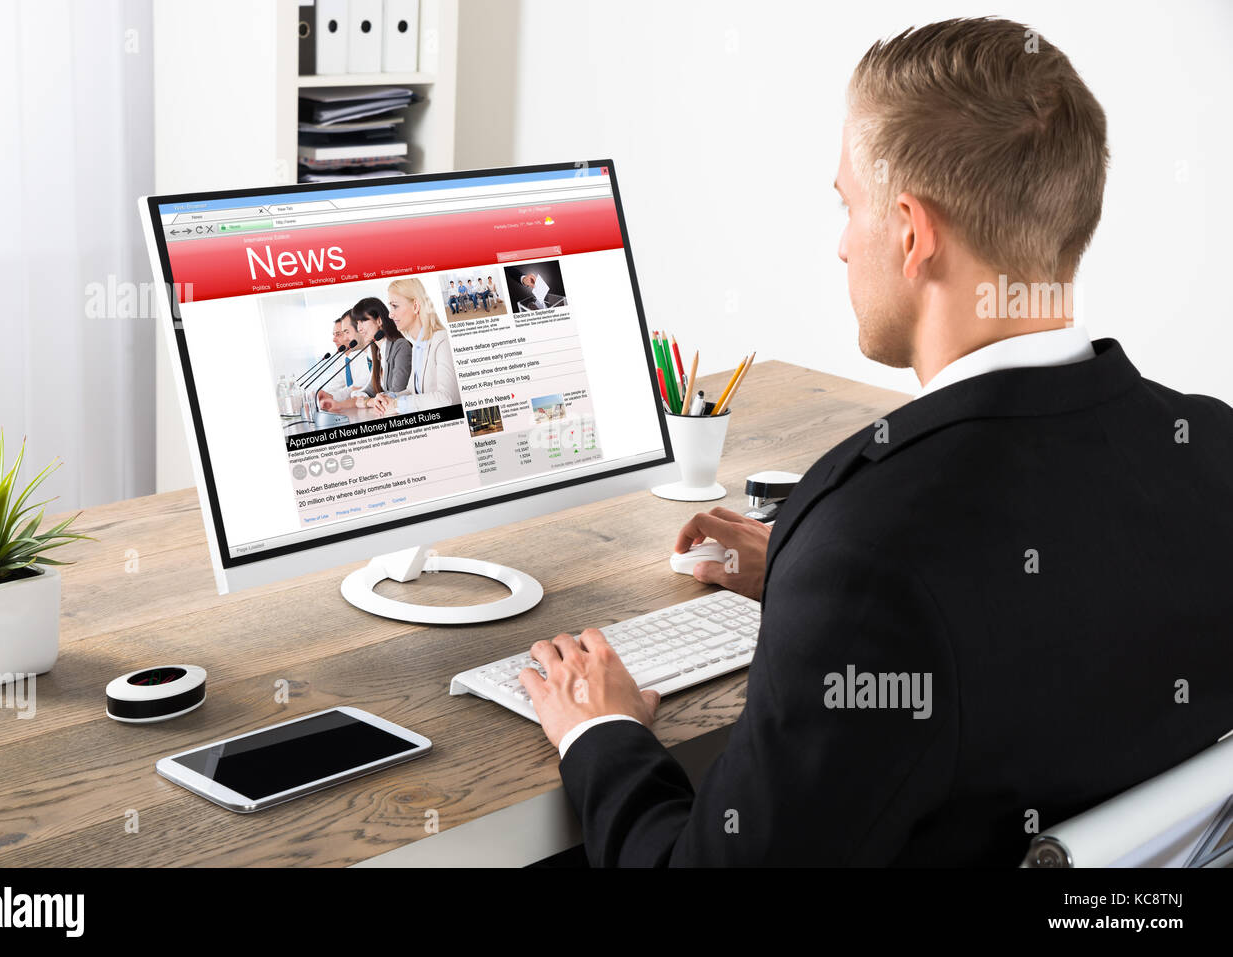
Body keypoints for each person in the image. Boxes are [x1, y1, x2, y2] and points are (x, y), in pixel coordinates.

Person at [516, 17, 1233, 867]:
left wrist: (599, 730)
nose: (843, 243)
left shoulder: (872, 550)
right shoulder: (1210, 447)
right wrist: (802, 575)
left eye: (848, 205)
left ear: (910, 232)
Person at [365, 278, 460, 414]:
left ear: (415, 306)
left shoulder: (442, 340)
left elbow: (447, 398)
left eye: (395, 306)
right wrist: (390, 398)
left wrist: (397, 404)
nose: (390, 315)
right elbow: (411, 391)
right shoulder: (417, 346)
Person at [319, 297, 412, 411]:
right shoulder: (377, 352)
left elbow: (395, 394)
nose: (359, 328)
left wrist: (369, 401)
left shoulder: (400, 346)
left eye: (363, 321)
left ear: (379, 321)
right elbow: (367, 392)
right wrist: (337, 405)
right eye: (357, 323)